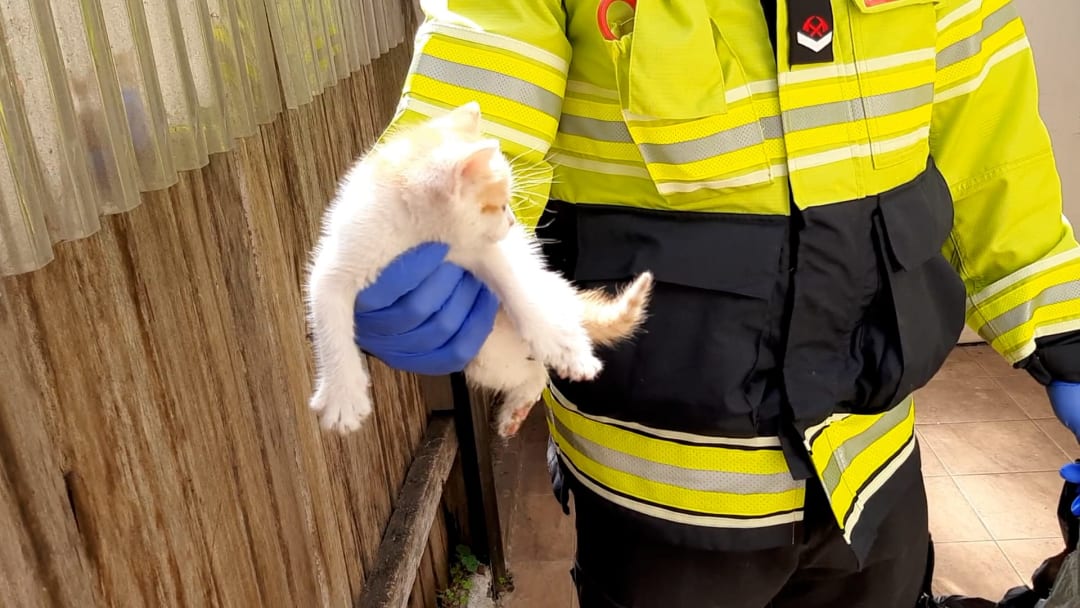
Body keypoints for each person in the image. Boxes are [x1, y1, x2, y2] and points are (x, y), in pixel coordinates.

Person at [350, 1, 1080, 606]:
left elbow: (989, 150)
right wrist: (424, 215)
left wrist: (1063, 328)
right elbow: (483, 70)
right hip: (661, 501)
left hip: (874, 468)